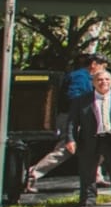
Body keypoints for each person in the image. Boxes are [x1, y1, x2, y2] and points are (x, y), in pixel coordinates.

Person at [25, 55, 106, 193]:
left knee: (99, 144)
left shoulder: (85, 77)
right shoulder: (80, 77)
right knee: (65, 149)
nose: (103, 70)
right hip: (72, 117)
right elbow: (73, 96)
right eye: (103, 66)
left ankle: (96, 176)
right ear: (94, 64)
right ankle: (32, 174)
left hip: (80, 117)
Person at [67, 69, 111, 207]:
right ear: (93, 83)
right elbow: (72, 122)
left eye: (107, 80)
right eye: (100, 80)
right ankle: (88, 200)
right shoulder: (82, 100)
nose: (103, 82)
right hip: (90, 139)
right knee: (87, 171)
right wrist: (70, 139)